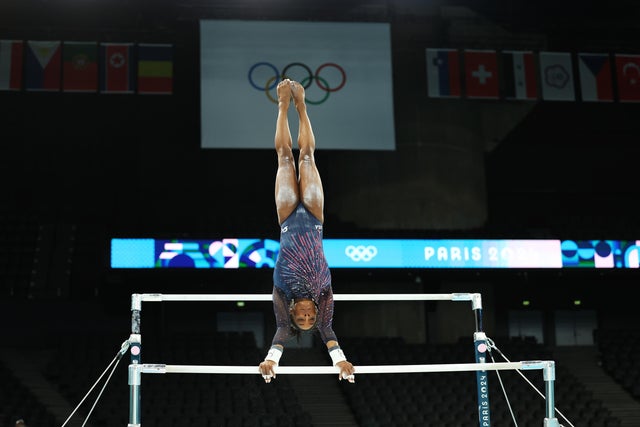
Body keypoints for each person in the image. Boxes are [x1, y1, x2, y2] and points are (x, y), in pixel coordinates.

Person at [258, 79, 355, 384]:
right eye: (309, 318)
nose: (306, 315)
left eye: (301, 318)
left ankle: (283, 105)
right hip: (314, 218)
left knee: (285, 157)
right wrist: (340, 361)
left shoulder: (281, 294)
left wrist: (271, 360)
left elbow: (281, 330)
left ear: (292, 313)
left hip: (287, 218)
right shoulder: (323, 296)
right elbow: (327, 330)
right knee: (308, 157)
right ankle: (301, 106)